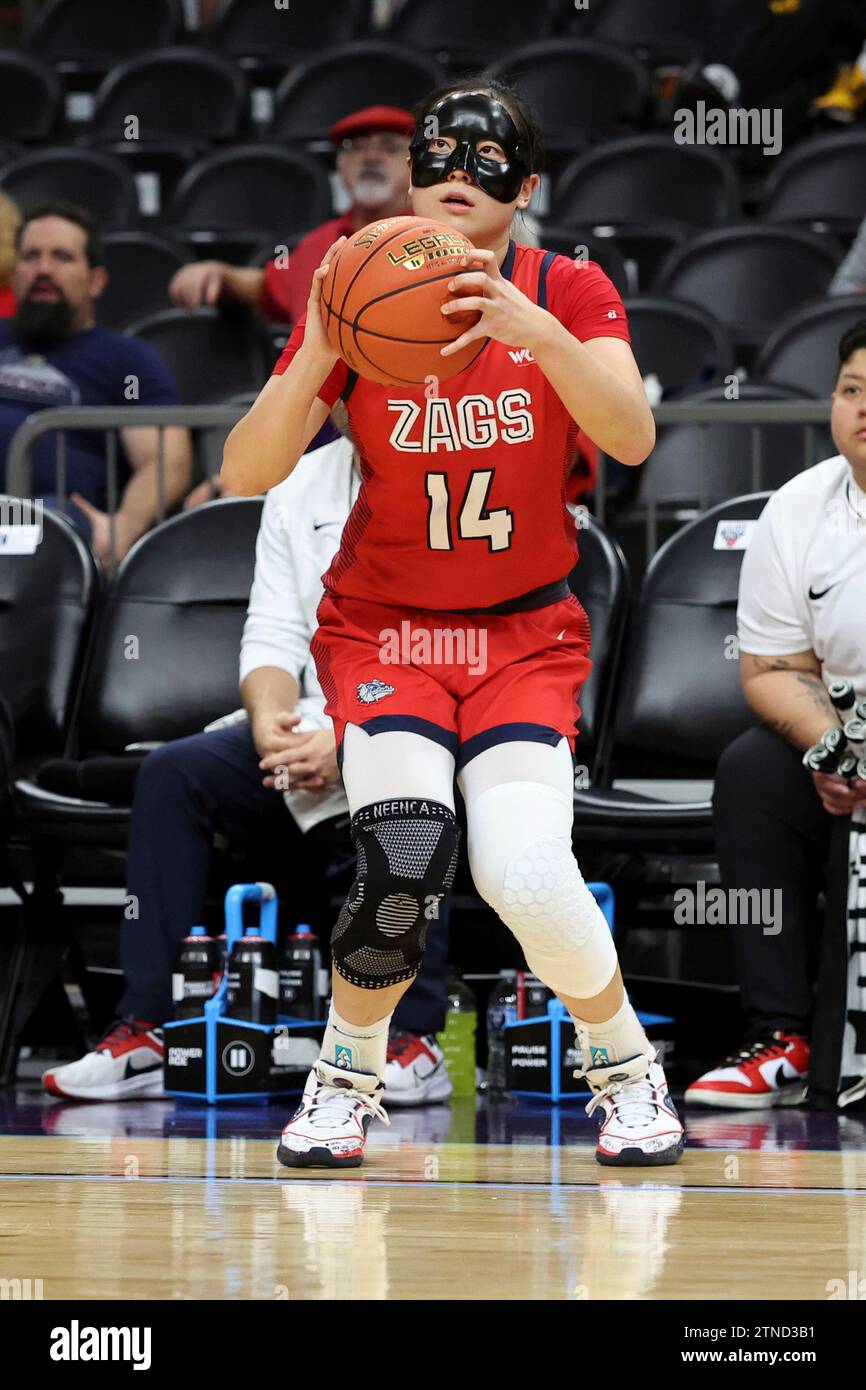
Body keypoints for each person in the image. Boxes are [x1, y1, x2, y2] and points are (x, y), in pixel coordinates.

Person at [222, 76, 683, 1169]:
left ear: (526, 187)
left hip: (521, 634)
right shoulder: (352, 281)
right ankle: (344, 1080)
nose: (452, 179)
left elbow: (629, 437)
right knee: (405, 851)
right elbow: (248, 468)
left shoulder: (564, 287)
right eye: (435, 158)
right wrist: (325, 351)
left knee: (521, 869)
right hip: (387, 632)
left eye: (485, 162)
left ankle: (624, 1069)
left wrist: (536, 333)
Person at [42, 418, 452, 1107]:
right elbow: (272, 631)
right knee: (175, 773)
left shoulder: (457, 476)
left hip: (425, 712)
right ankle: (147, 1028)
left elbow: (448, 645)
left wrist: (350, 734)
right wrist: (268, 721)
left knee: (407, 773)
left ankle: (411, 1036)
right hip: (310, 721)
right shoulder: (300, 483)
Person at [687, 320, 866, 1109]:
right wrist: (834, 749)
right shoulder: (799, 508)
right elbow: (771, 669)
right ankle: (780, 1036)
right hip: (850, 726)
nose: (863, 409)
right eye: (852, 391)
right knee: (755, 771)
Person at [0, 201, 191, 570]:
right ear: (15, 273)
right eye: (31, 256)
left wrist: (122, 529)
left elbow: (167, 459)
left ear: (96, 280)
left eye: (62, 257)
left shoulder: (126, 359)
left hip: (50, 518)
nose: (43, 269)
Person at [169, 106, 415, 329]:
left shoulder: (436, 237)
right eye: (357, 147)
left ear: (414, 165)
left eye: (389, 147)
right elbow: (265, 288)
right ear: (340, 166)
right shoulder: (319, 242)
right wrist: (220, 273)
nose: (371, 157)